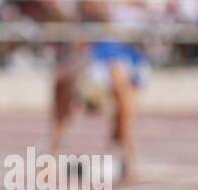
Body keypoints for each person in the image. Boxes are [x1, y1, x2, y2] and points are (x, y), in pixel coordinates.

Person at [51, 41, 147, 182]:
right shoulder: (66, 77)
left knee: (124, 121)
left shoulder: (121, 78)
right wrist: (52, 155)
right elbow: (60, 119)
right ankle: (125, 160)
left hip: (125, 66)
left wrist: (132, 163)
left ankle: (127, 160)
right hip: (94, 66)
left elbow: (126, 122)